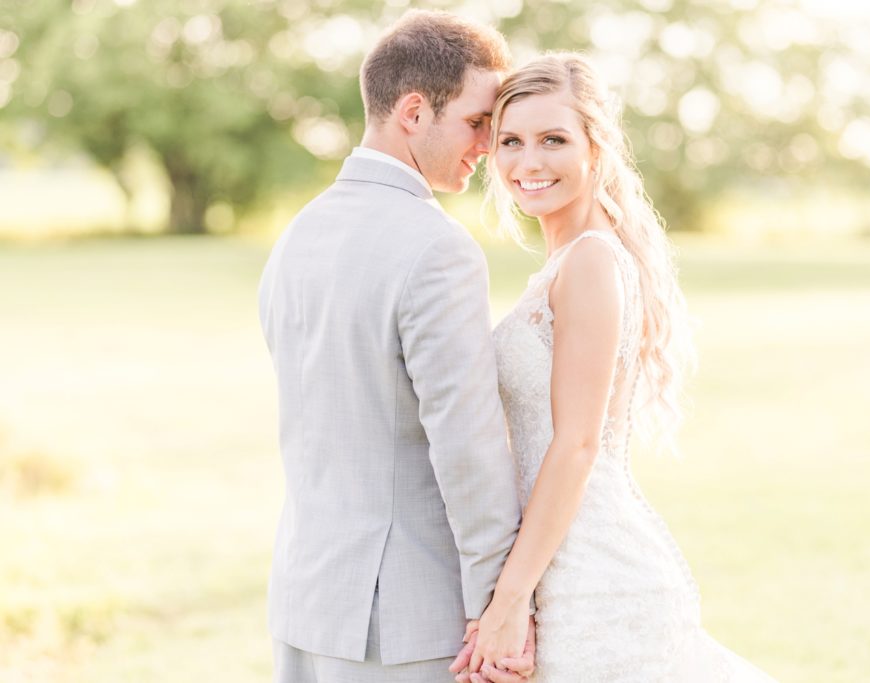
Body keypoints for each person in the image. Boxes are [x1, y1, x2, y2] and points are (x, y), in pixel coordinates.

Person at [455, 53, 779, 682]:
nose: (529, 162)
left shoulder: (591, 262)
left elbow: (577, 443)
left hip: (594, 582)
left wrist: (509, 599)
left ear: (596, 149)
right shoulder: (564, 264)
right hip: (555, 567)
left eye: (554, 140)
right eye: (511, 141)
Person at [257, 10, 534, 682]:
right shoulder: (437, 248)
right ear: (414, 111)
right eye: (476, 122)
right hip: (408, 616)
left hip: (305, 599)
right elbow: (466, 445)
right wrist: (501, 604)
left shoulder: (298, 234)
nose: (488, 146)